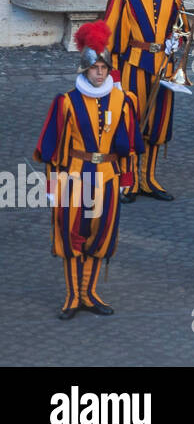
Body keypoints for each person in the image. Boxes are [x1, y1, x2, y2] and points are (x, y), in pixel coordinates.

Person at [34, 21, 141, 319]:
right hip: (74, 177)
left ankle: (89, 292)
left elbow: (129, 143)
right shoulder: (66, 102)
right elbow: (53, 152)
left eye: (104, 68)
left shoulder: (122, 100)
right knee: (72, 234)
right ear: (85, 70)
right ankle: (72, 296)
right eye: (95, 68)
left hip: (108, 176)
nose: (100, 73)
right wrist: (53, 188)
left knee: (100, 234)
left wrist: (127, 178)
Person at [102, 0, 189, 201]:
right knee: (131, 123)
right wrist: (113, 77)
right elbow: (108, 39)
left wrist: (179, 40)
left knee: (157, 124)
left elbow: (183, 30)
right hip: (133, 67)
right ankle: (128, 180)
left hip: (163, 67)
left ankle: (148, 178)